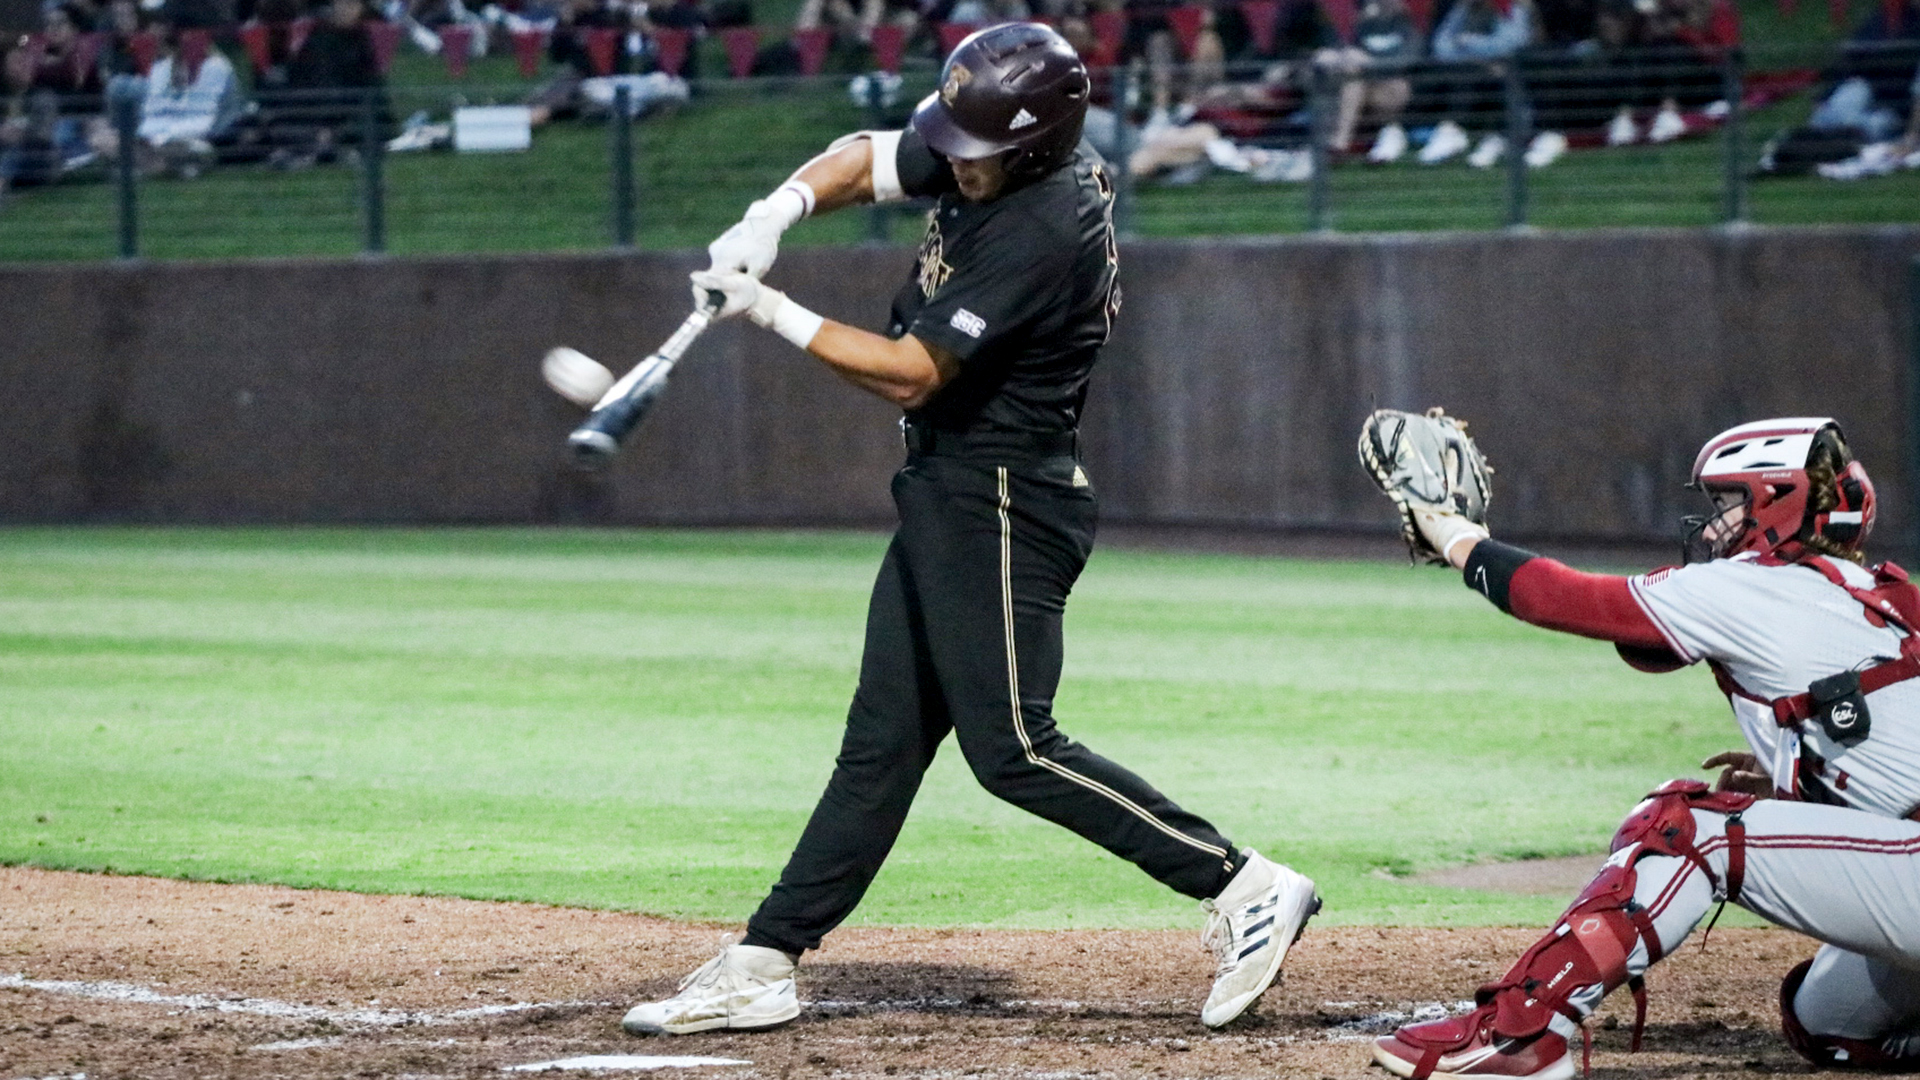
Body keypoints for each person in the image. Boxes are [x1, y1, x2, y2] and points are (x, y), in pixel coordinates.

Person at [620, 21, 1319, 1039]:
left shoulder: (1044, 223)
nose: (951, 160)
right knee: (882, 745)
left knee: (1016, 748)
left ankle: (1244, 883)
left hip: (1003, 496)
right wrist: (776, 209)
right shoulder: (980, 142)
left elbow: (912, 370)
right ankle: (765, 961)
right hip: (951, 485)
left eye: (973, 151)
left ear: (1032, 149)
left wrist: (769, 310)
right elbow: (869, 155)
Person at [1368, 417, 1920, 1078]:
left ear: (1777, 502)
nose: (1714, 525)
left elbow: (1558, 597)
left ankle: (1519, 1035)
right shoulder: (1880, 594)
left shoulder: (1750, 587)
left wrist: (1454, 534)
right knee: (1827, 1020)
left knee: (1683, 826)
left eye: (1727, 503)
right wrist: (1790, 784)